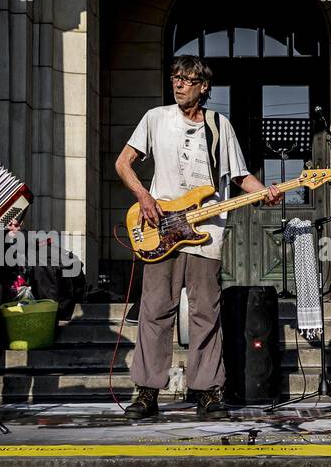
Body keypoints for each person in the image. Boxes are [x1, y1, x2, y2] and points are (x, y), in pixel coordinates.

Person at [114, 55, 280, 421]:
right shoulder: (155, 119)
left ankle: (206, 391)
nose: (178, 84)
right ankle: (146, 392)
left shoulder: (220, 126)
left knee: (206, 312)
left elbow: (238, 177)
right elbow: (123, 163)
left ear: (204, 86)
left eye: (187, 79)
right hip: (162, 228)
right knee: (155, 309)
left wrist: (266, 190)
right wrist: (144, 197)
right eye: (175, 77)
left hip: (208, 232)